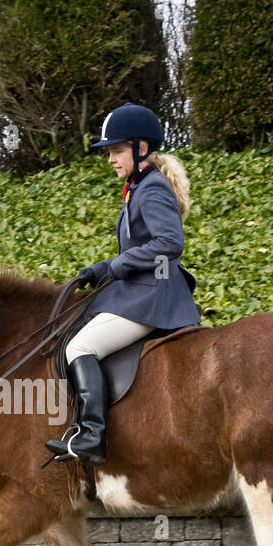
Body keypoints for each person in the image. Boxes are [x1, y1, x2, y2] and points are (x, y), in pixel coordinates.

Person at [45, 102, 202, 465]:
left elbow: (169, 244)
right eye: (111, 152)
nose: (112, 159)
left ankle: (92, 437)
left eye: (117, 151)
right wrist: (100, 269)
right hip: (139, 290)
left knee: (79, 348)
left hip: (152, 296)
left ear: (141, 148)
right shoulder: (139, 187)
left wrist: (113, 266)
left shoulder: (150, 189)